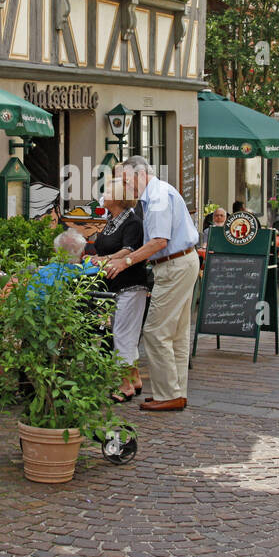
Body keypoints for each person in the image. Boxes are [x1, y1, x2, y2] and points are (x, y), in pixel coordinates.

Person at [106, 155, 199, 412]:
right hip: (181, 262)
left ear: (139, 175)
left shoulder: (156, 198)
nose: (126, 187)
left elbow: (159, 241)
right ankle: (175, 392)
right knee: (177, 334)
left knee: (156, 331)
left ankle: (167, 394)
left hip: (173, 265)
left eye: (126, 180)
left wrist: (125, 262)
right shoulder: (157, 194)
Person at [90, 182, 149, 402]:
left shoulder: (132, 222)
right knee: (122, 332)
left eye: (107, 192)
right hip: (114, 286)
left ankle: (124, 385)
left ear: (119, 197)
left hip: (131, 284)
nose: (103, 196)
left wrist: (104, 259)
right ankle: (134, 378)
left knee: (123, 334)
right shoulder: (111, 220)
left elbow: (129, 250)